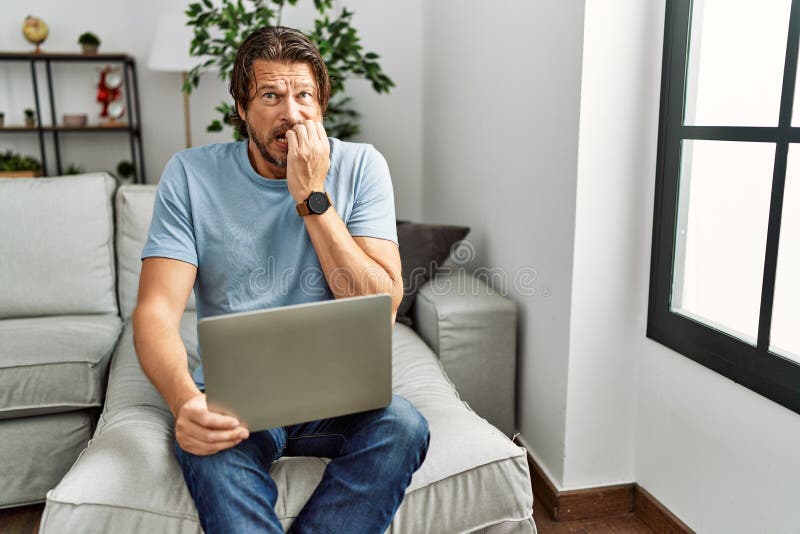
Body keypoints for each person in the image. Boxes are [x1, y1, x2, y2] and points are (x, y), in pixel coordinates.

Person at [132, 26, 429, 533]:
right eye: (271, 96)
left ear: (322, 106)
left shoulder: (362, 167)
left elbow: (381, 305)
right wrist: (186, 403)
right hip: (238, 400)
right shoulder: (190, 175)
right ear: (242, 109)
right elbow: (156, 311)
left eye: (304, 96)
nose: (291, 113)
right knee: (210, 450)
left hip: (340, 397)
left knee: (403, 425)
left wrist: (312, 197)